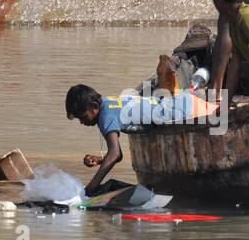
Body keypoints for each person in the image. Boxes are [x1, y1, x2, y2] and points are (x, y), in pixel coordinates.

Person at [65, 84, 211, 195]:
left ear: (94, 107)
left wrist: (90, 188)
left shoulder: (105, 116)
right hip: (185, 103)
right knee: (220, 108)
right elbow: (117, 155)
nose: (82, 122)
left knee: (221, 110)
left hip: (187, 112)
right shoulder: (109, 104)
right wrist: (100, 160)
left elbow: (114, 154)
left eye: (83, 117)